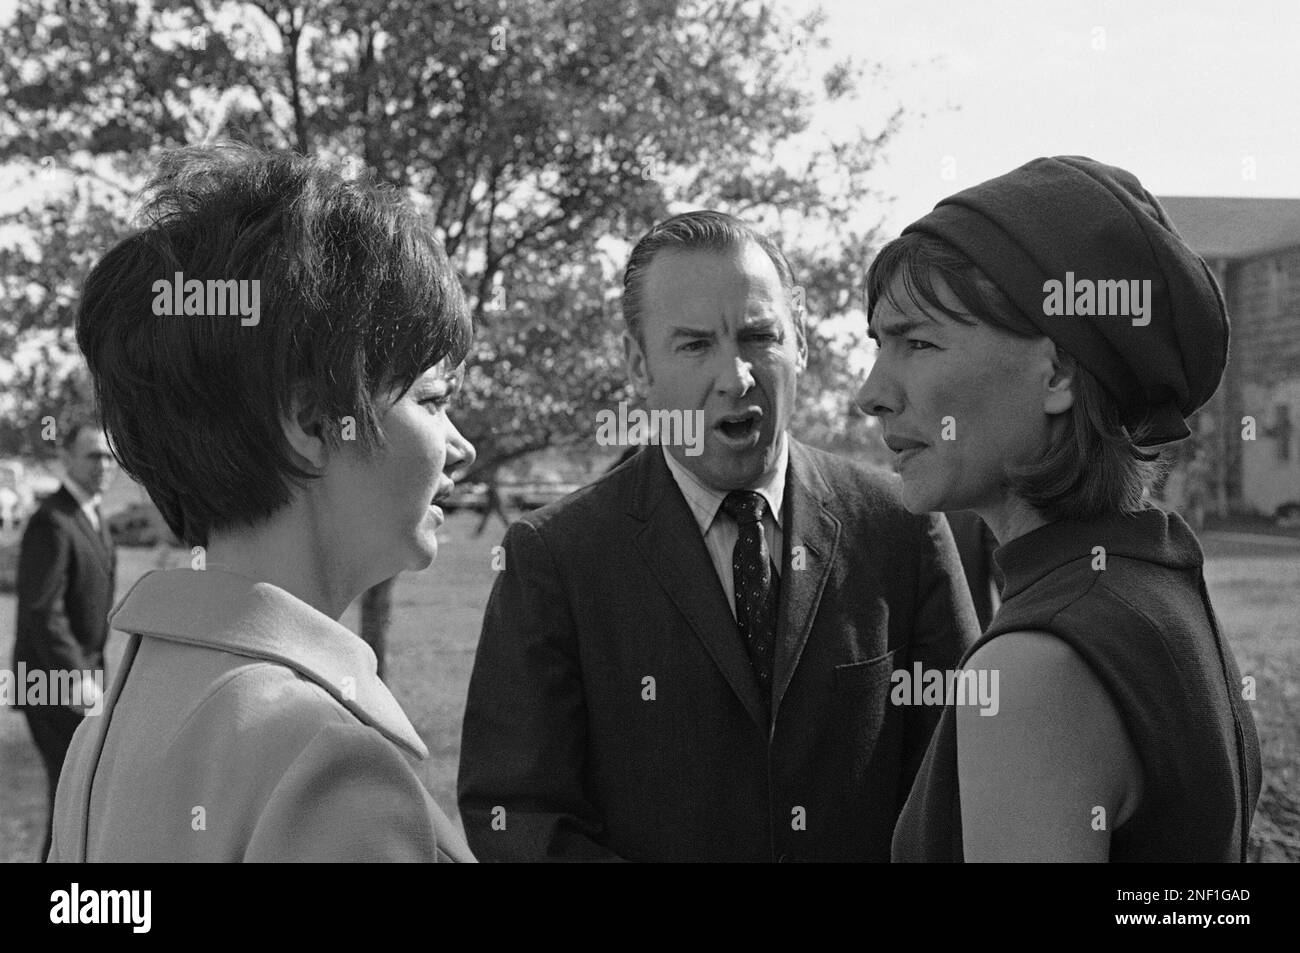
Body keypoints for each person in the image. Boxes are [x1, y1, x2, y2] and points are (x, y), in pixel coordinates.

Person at [458, 210, 979, 862]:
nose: (734, 376)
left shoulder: (900, 525)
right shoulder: (555, 558)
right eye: (695, 344)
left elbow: (963, 776)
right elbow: (516, 815)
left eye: (759, 335)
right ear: (637, 363)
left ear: (802, 344)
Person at [48, 143, 477, 862]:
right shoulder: (327, 761)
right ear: (312, 422)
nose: (460, 447)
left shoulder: (107, 727)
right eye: (432, 399)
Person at [858, 156, 1261, 862]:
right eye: (878, 345)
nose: (872, 392)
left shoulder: (1034, 669)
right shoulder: (1154, 578)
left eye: (917, 342)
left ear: (1059, 373)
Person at [12, 421, 117, 861]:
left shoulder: (91, 515)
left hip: (80, 675)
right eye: (93, 455)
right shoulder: (50, 521)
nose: (105, 465)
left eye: (110, 456)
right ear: (67, 459)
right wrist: (75, 677)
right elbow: (42, 609)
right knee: (72, 795)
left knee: (80, 796)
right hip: (50, 682)